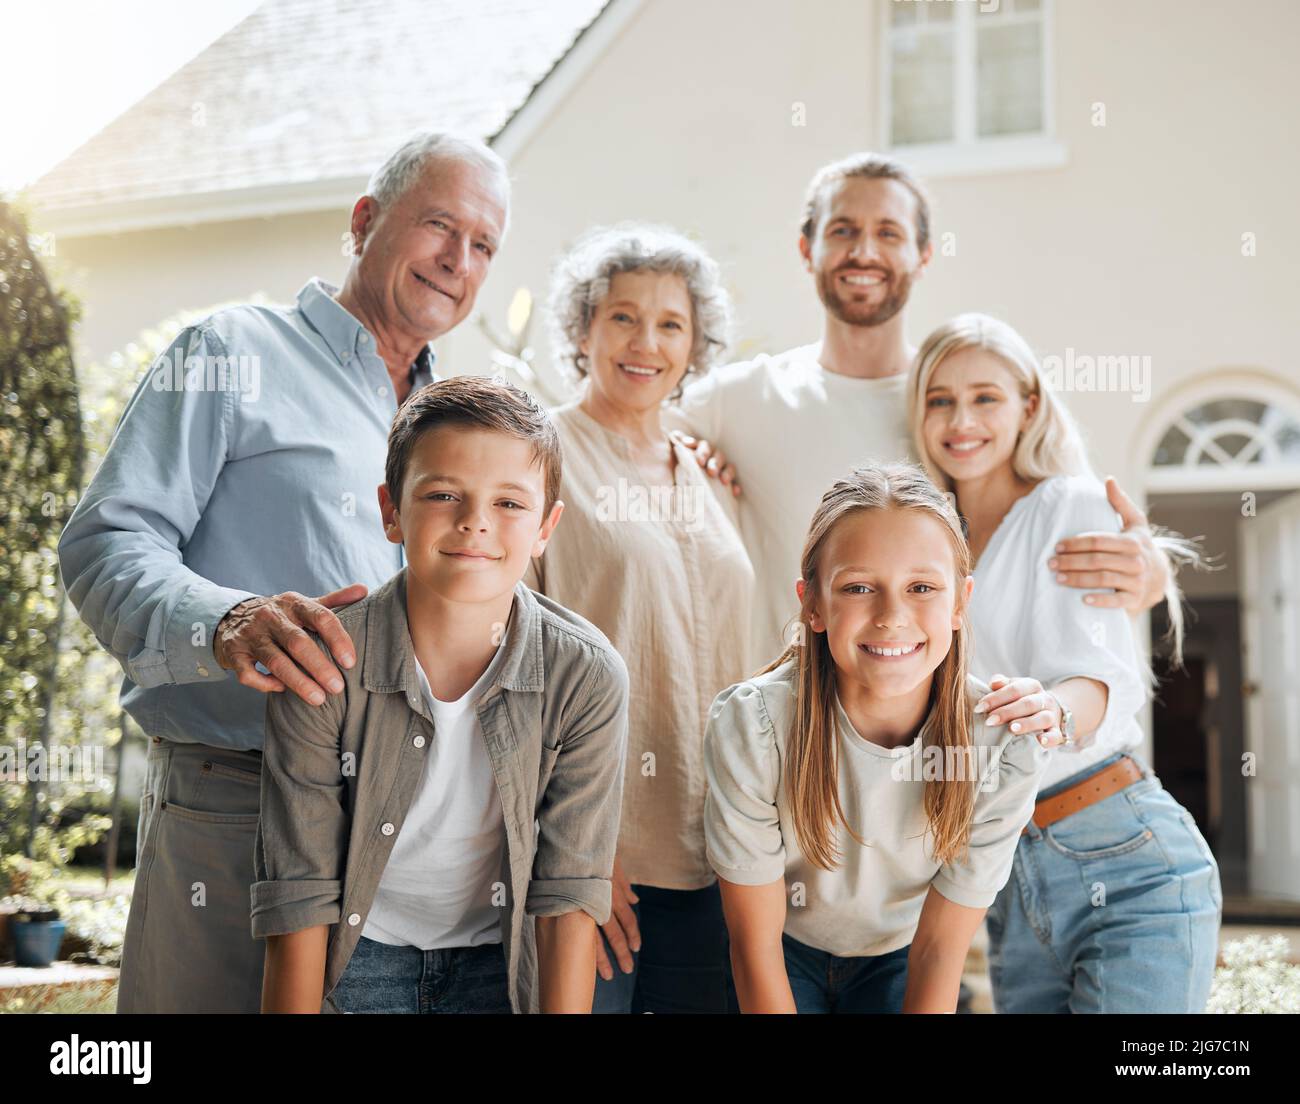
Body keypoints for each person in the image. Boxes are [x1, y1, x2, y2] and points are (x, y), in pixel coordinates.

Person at [57, 132, 510, 1013]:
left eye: (484, 245)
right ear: (365, 221)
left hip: (412, 836)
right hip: (235, 811)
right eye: (439, 226)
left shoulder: (462, 422)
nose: (458, 260)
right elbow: (106, 541)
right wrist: (227, 622)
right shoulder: (231, 350)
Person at [664, 153, 1175, 669]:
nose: (863, 251)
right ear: (806, 248)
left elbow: (1065, 528)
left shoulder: (960, 411)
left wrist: (1152, 573)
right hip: (792, 727)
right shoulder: (739, 398)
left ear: (924, 254)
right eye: (842, 230)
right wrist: (685, 454)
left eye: (889, 233)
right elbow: (623, 431)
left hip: (935, 738)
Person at [253, 376, 629, 1014]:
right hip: (359, 952)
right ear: (391, 510)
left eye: (510, 503)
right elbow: (300, 894)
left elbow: (568, 895)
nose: (475, 522)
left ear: (546, 526)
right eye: (443, 493)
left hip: (498, 961)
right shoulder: (324, 664)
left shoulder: (587, 676)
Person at [910, 312, 1222, 1012]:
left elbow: (1102, 675)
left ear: (1028, 407)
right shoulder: (930, 541)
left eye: (986, 396)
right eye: (940, 398)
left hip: (1125, 854)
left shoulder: (1070, 504)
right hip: (1004, 872)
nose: (962, 418)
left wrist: (1050, 710)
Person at [704, 462, 1051, 1013]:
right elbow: (755, 944)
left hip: (904, 950)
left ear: (960, 602)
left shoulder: (1002, 745)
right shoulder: (755, 725)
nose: (892, 616)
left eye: (921, 587)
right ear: (812, 604)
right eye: (859, 587)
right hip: (780, 946)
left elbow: (939, 949)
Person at [525, 223, 754, 1012]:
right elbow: (505, 664)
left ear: (695, 346)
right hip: (599, 855)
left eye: (670, 324)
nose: (645, 341)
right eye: (623, 316)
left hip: (721, 856)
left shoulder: (706, 469)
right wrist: (578, 844)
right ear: (583, 328)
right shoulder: (537, 452)